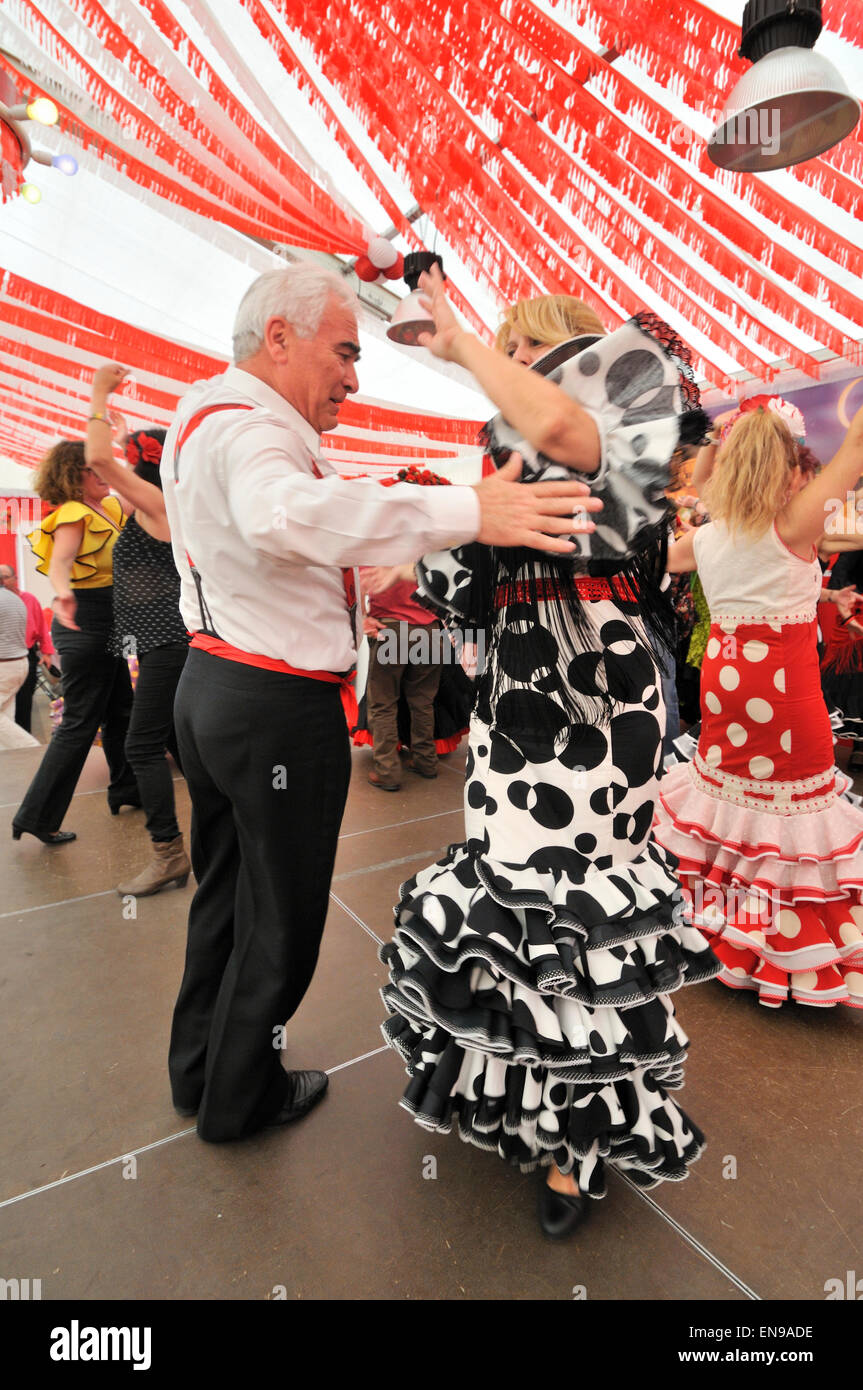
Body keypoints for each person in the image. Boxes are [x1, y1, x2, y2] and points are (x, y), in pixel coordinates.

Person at [161, 263, 603, 1144]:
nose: (356, 379)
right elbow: (281, 518)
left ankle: (199, 1069)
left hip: (210, 690)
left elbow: (288, 543)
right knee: (281, 921)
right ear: (278, 337)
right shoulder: (254, 432)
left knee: (226, 896)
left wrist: (404, 552)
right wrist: (466, 508)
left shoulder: (200, 414)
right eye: (346, 352)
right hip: (273, 705)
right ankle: (240, 1099)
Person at [379, 267, 719, 1239]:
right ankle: (527, 1091)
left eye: (530, 351)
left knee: (577, 921)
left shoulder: (628, 398)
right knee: (508, 907)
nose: (514, 366)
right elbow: (447, 577)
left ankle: (580, 1140)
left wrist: (459, 343)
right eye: (509, 351)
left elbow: (577, 436)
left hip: (596, 697)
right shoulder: (504, 450)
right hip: (511, 692)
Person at [657, 397, 863, 1008]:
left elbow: (668, 558)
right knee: (789, 817)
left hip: (727, 682)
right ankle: (778, 950)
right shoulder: (796, 526)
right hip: (784, 691)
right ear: (784, 467)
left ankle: (719, 925)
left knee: (730, 804)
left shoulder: (707, 537)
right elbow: (853, 456)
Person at [84, 365, 191, 896]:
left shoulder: (159, 505)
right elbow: (111, 468)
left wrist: (99, 394)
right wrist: (120, 424)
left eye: (129, 460)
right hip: (159, 645)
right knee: (183, 742)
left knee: (141, 745)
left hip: (169, 643)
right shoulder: (150, 504)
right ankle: (226, 835)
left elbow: (97, 459)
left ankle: (167, 852)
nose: (115, 470)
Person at [12, 441, 139, 844]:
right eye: (93, 468)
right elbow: (61, 564)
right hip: (84, 616)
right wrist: (63, 595)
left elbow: (144, 495)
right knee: (80, 722)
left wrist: (129, 446)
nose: (104, 473)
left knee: (120, 709)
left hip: (108, 617)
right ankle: (36, 815)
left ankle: (127, 790)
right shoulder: (73, 513)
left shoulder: (112, 508)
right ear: (72, 475)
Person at [0, 564, 55, 734]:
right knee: (6, 712)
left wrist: (46, 652)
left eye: (4, 577)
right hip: (5, 657)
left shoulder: (28, 599)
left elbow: (41, 628)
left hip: (25, 656)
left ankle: (25, 743)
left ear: (15, 579)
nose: (1, 581)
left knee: (23, 705)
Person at [0, 582, 39, 749]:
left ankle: (33, 750)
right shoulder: (12, 597)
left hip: (4, 666)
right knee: (5, 718)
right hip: (18, 663)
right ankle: (11, 765)